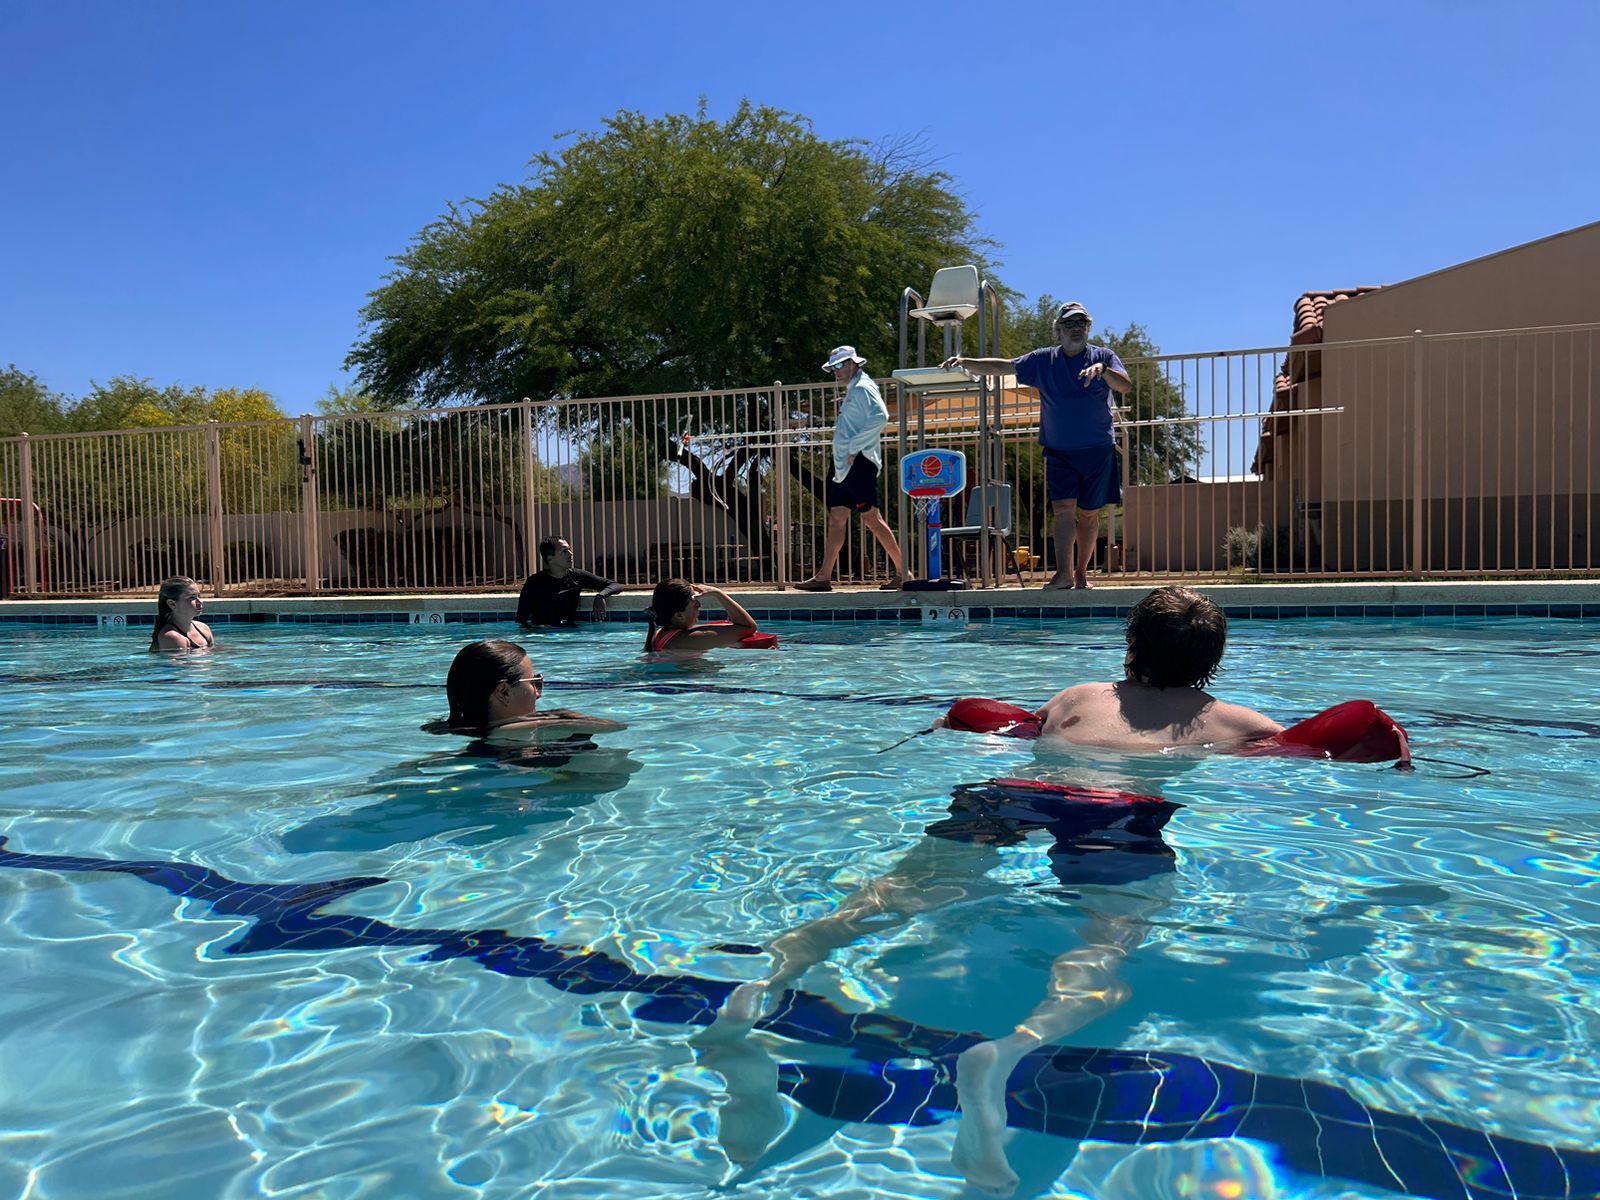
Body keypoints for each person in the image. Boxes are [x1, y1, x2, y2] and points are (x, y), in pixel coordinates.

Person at [705, 586, 1282, 1196]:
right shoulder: (1232, 723)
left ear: (1133, 642)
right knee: (1109, 941)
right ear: (1212, 658)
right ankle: (1004, 1055)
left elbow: (1016, 729)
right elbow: (1323, 749)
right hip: (1117, 816)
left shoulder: (1078, 698)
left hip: (1014, 793)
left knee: (891, 893)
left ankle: (760, 983)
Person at [945, 302, 1131, 590]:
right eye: (1070, 324)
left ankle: (1082, 573)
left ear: (1088, 328)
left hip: (1097, 449)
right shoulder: (1044, 360)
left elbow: (1124, 386)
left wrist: (1103, 370)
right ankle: (1064, 574)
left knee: (1090, 513)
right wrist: (965, 362)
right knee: (1063, 509)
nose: (1076, 329)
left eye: (1081, 323)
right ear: (1058, 329)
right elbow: (1003, 366)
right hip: (1059, 451)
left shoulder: (1103, 356)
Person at [793, 345, 906, 592]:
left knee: (871, 518)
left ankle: (903, 572)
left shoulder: (864, 387)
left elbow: (881, 416)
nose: (835, 370)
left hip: (859, 462)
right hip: (844, 465)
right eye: (832, 366)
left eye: (840, 365)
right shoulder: (854, 390)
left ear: (854, 363)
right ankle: (823, 577)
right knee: (836, 518)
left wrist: (855, 446)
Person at [433, 640, 624, 740]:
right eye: (535, 682)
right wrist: (560, 718)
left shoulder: (453, 731)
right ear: (504, 692)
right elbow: (616, 728)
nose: (538, 694)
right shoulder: (543, 726)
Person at [516, 535, 622, 627]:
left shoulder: (577, 576)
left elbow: (615, 585)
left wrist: (601, 596)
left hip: (570, 632)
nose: (570, 554)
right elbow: (521, 620)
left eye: (569, 550)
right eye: (564, 551)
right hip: (544, 635)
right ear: (550, 559)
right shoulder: (534, 584)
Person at [643, 579, 761, 654]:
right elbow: (748, 627)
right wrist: (718, 593)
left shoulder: (659, 633)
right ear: (679, 614)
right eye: (694, 603)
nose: (699, 605)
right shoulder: (691, 638)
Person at [148, 576, 215, 651]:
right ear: (172, 604)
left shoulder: (203, 628)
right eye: (192, 598)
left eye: (198, 596)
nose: (200, 602)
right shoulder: (172, 637)